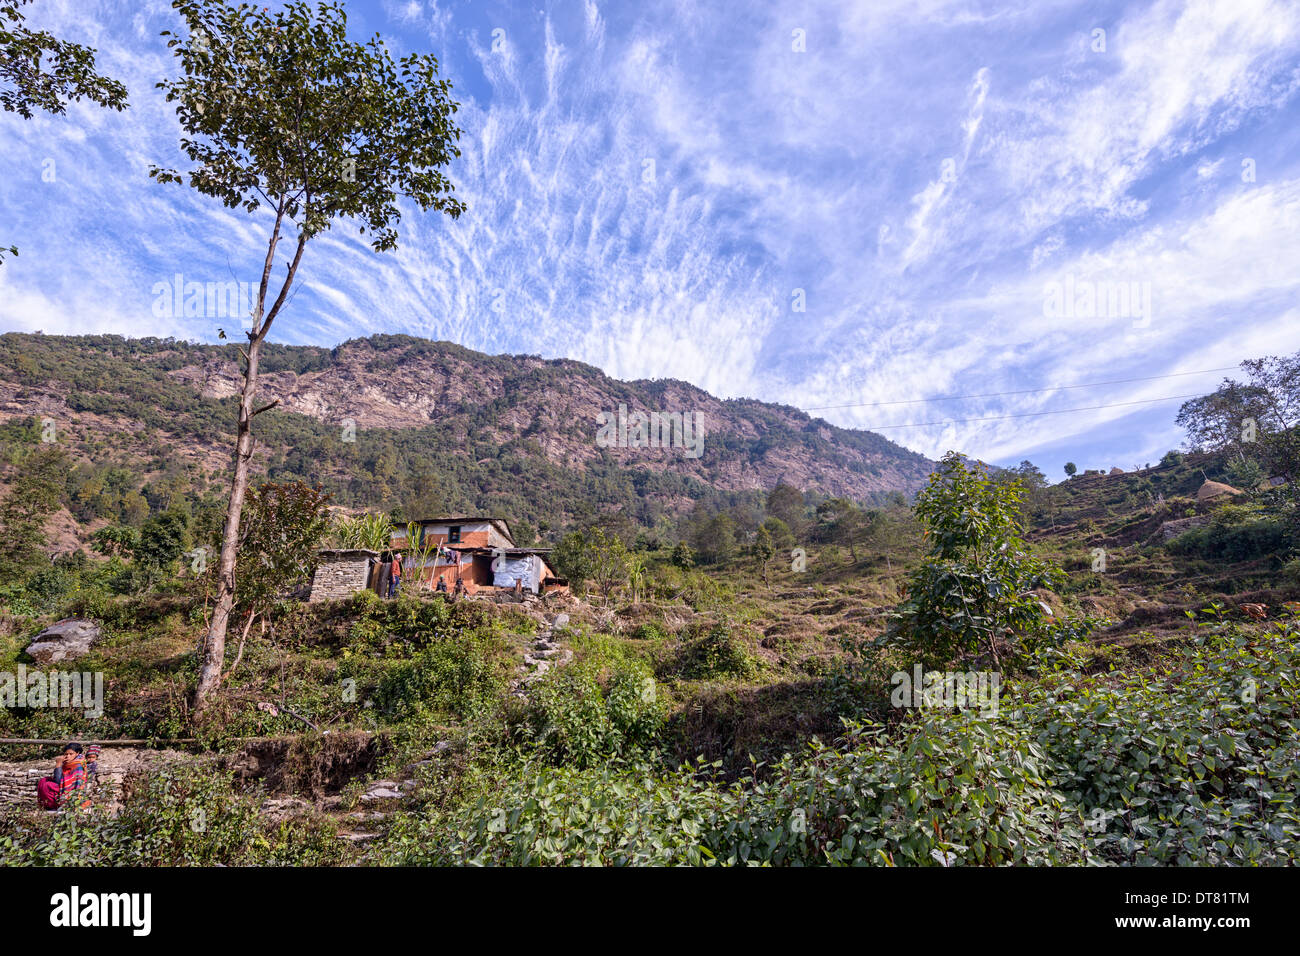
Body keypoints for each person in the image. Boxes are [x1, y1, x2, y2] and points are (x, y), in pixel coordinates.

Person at [37, 743, 89, 811]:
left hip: (70, 793)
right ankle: (49, 805)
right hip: (63, 787)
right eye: (66, 754)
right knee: (43, 781)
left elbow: (58, 781)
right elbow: (61, 779)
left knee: (47, 786)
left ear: (77, 753)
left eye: (71, 754)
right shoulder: (67, 764)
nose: (68, 756)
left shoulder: (77, 765)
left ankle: (55, 805)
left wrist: (58, 764)